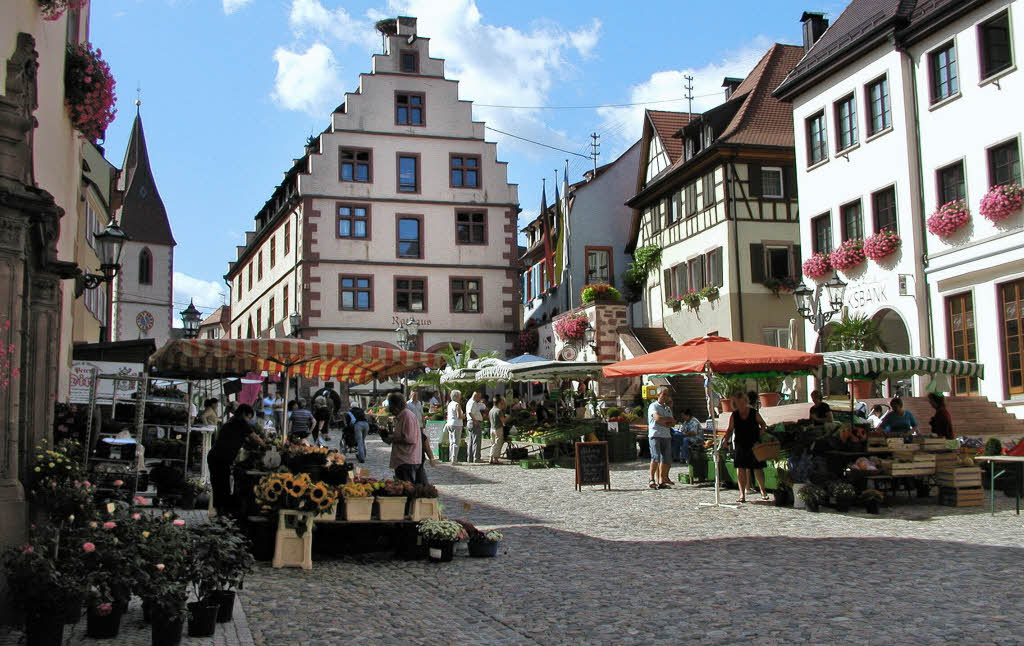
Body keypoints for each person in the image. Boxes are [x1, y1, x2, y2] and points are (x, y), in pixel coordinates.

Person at [208, 404, 261, 515]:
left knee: (219, 485)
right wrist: (265, 444)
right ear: (244, 414)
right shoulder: (240, 422)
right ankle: (222, 513)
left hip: (217, 457)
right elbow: (256, 439)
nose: (248, 420)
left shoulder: (232, 421)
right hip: (220, 458)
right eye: (249, 417)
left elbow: (242, 439)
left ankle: (221, 512)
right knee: (222, 486)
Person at [723, 390, 769, 502]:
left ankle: (763, 491)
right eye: (738, 403)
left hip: (754, 443)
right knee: (741, 469)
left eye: (742, 402)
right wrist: (725, 441)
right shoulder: (734, 415)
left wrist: (762, 432)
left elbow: (763, 424)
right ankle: (742, 494)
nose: (741, 404)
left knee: (758, 468)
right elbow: (730, 429)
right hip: (740, 444)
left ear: (745, 401)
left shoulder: (753, 413)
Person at [387, 393, 422, 482]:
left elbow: (409, 439)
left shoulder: (406, 416)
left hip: (406, 460)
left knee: (407, 486)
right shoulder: (403, 416)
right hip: (403, 460)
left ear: (396, 407)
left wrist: (392, 438)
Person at [647, 387, 675, 489]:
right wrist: (665, 421)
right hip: (655, 435)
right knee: (655, 457)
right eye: (664, 394)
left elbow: (673, 422)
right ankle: (651, 479)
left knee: (666, 458)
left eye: (667, 395)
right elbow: (657, 418)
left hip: (666, 435)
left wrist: (666, 421)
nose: (666, 397)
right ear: (658, 395)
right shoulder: (653, 406)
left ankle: (662, 480)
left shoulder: (667, 408)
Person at [465, 391, 486, 463]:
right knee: (476, 441)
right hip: (474, 422)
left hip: (470, 422)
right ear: (476, 396)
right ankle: (476, 458)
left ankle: (470, 457)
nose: (480, 399)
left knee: (471, 441)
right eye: (479, 397)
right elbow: (470, 412)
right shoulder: (473, 402)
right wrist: (475, 420)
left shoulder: (470, 402)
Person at [488, 395, 509, 464]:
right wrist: (507, 417)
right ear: (499, 402)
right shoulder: (498, 411)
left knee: (493, 443)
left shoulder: (491, 410)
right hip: (498, 428)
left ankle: (491, 457)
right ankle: (495, 459)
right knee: (498, 444)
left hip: (492, 428)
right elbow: (503, 421)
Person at [445, 390, 465, 465]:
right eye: (459, 396)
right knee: (456, 442)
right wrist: (464, 416)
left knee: (451, 442)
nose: (460, 397)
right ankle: (454, 459)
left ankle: (451, 458)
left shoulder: (450, 404)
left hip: (449, 423)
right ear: (457, 397)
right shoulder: (457, 405)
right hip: (457, 424)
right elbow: (459, 416)